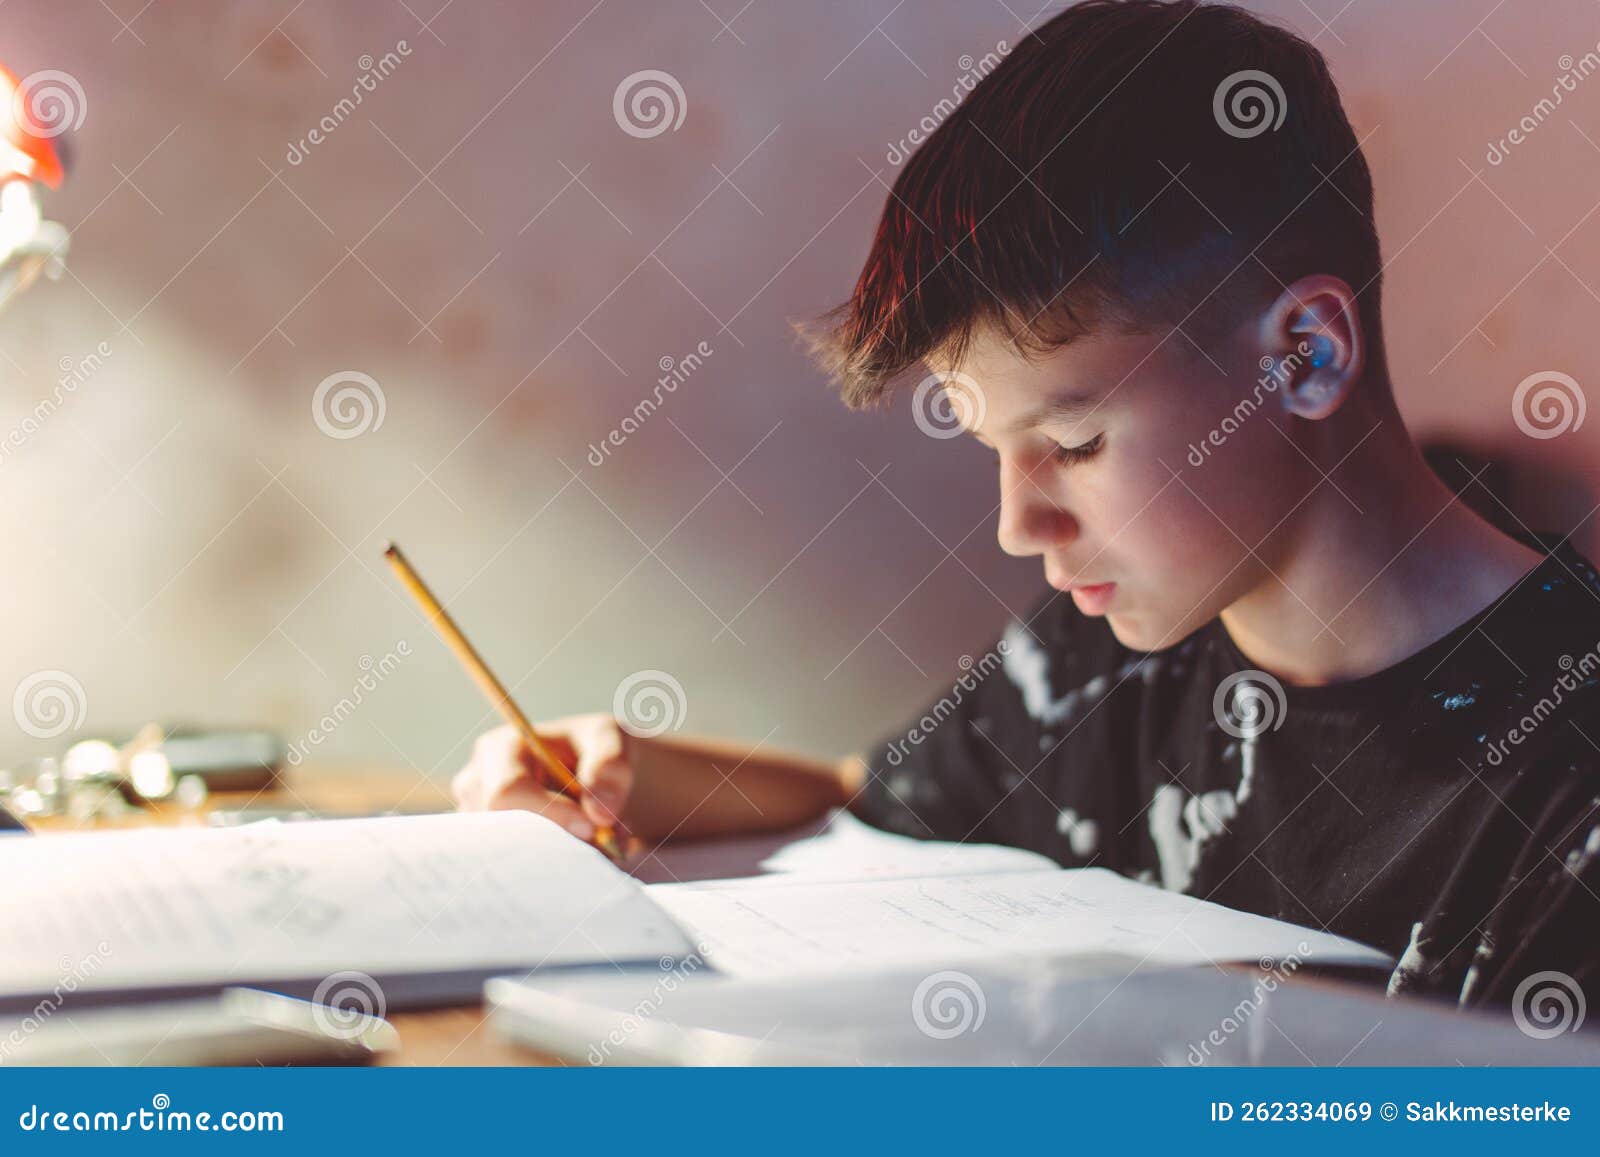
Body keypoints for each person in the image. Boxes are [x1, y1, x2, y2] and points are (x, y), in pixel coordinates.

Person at [455, 0, 1600, 1012]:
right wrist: (617, 771)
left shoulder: (1562, 784)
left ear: (1303, 353)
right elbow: (876, 802)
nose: (1019, 524)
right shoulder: (1100, 653)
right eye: (996, 448)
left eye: (1073, 443)